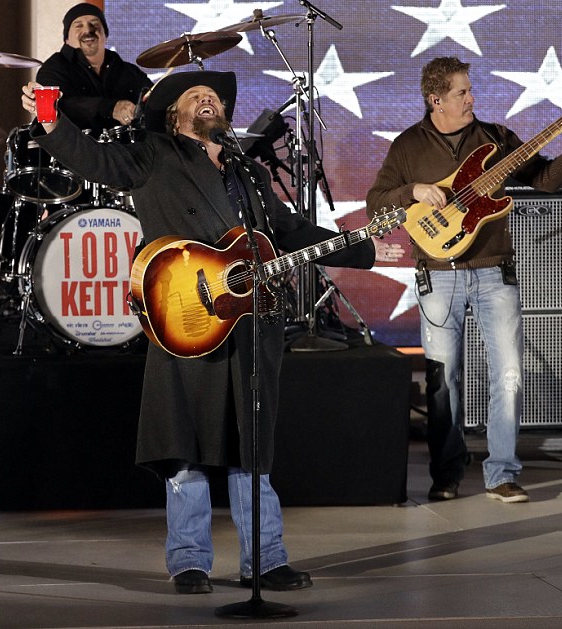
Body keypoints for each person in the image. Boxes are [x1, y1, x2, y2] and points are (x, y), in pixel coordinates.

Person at [21, 70, 376, 594]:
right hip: (184, 315)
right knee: (184, 443)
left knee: (249, 446)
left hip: (249, 321)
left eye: (214, 97)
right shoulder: (154, 154)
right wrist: (51, 121)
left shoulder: (248, 172)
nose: (209, 100)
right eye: (196, 97)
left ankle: (266, 559)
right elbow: (97, 160)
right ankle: (189, 560)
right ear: (174, 115)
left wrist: (365, 246)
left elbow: (290, 232)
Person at [365, 56, 562, 504]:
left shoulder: (495, 138)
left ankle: (502, 474)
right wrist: (411, 191)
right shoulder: (408, 145)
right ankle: (446, 474)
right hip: (438, 276)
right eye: (462, 92)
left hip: (494, 272)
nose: (472, 98)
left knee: (508, 374)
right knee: (443, 379)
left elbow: (545, 179)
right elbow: (377, 204)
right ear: (436, 100)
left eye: (470, 90)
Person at [35, 2, 153, 134]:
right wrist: (111, 108)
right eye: (79, 26)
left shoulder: (128, 71)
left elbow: (152, 99)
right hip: (73, 150)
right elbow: (59, 106)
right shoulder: (53, 68)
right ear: (66, 39)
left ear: (105, 34)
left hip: (124, 152)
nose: (88, 30)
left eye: (95, 24)